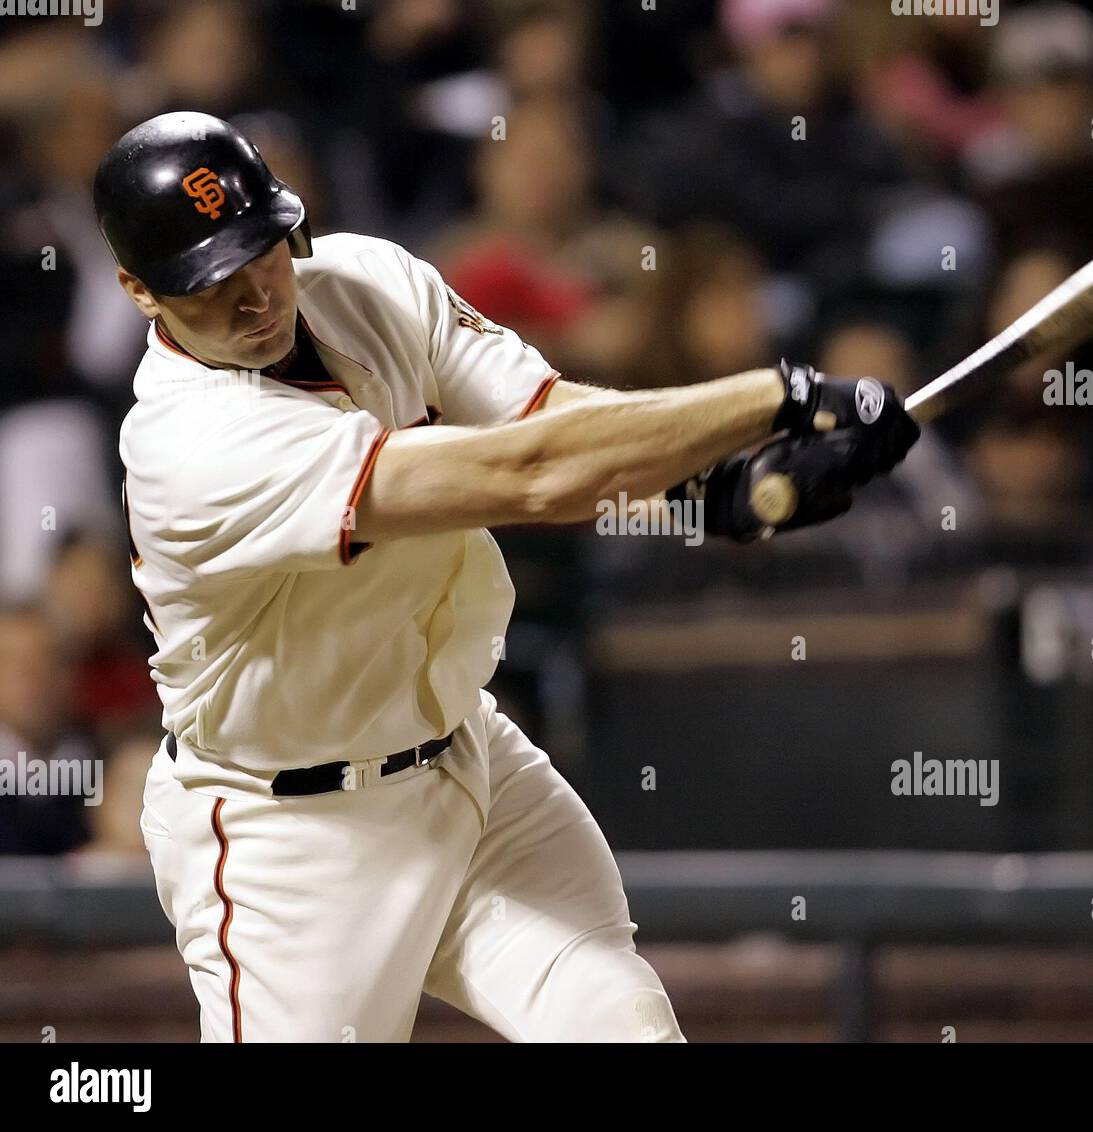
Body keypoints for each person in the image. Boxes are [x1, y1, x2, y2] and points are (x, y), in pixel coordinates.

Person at [96, 111, 919, 1042]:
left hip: (466, 761)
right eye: (209, 283)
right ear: (140, 290)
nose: (253, 296)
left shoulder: (370, 282)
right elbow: (523, 474)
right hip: (288, 836)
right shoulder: (188, 444)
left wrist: (703, 490)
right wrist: (777, 399)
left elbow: (546, 418)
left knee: (625, 1027)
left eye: (261, 253)